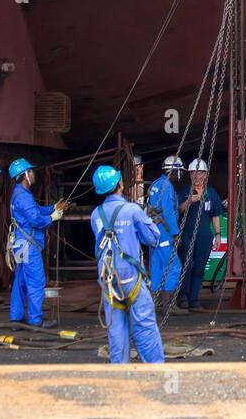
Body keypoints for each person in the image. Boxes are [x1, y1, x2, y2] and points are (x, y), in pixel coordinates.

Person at [90, 164, 164, 363]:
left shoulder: (96, 214)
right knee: (145, 327)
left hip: (108, 279)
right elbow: (153, 239)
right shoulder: (132, 210)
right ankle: (155, 370)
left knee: (116, 331)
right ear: (119, 184)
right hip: (130, 277)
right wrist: (149, 222)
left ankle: (120, 375)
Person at [7, 157, 63, 328]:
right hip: (29, 246)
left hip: (20, 244)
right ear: (25, 175)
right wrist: (52, 218)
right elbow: (36, 219)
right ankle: (35, 320)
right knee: (36, 281)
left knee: (20, 281)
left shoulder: (19, 194)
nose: (33, 174)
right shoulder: (23, 196)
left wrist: (53, 208)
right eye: (30, 171)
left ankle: (16, 319)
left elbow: (36, 210)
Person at [177, 158, 224, 312]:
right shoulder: (184, 192)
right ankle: (182, 297)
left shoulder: (211, 193)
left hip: (204, 236)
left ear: (205, 175)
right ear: (190, 175)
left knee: (199, 268)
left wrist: (218, 234)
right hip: (187, 234)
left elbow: (216, 214)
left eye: (200, 173)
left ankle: (194, 299)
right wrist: (189, 201)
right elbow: (178, 211)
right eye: (193, 173)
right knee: (187, 265)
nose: (197, 176)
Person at [146, 155, 187, 314]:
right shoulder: (167, 187)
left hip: (154, 234)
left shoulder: (155, 184)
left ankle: (155, 303)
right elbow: (168, 213)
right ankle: (168, 305)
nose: (180, 176)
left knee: (157, 266)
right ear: (174, 171)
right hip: (165, 235)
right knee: (174, 266)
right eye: (179, 172)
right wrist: (176, 234)